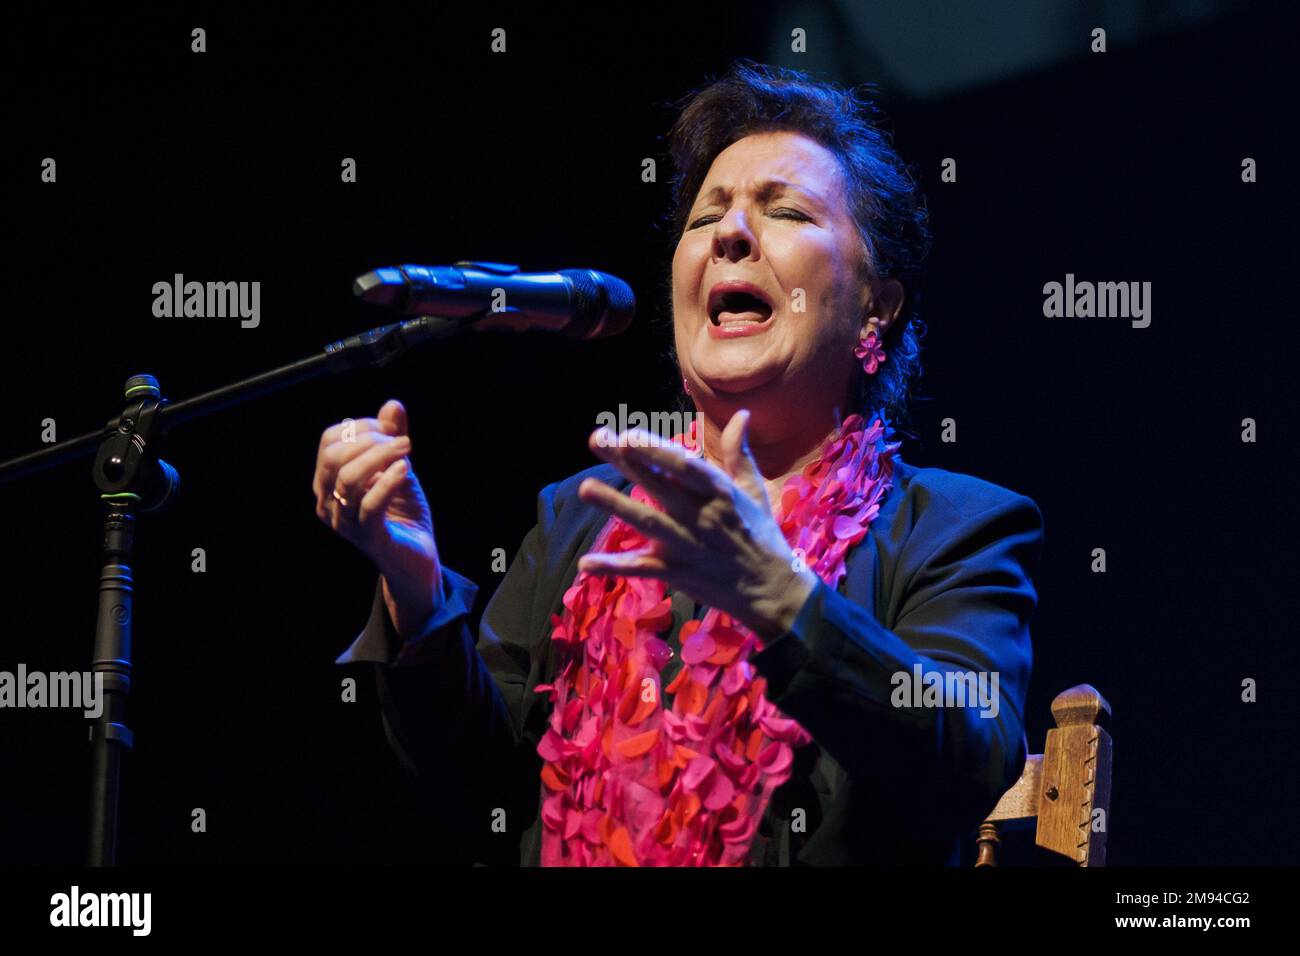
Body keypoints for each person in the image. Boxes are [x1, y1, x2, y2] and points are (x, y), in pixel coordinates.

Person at [314, 60, 1044, 866]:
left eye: (786, 210)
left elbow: (966, 761)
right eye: (706, 218)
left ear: (876, 308)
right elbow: (481, 795)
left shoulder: (954, 528)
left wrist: (780, 601)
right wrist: (416, 592)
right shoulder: (581, 517)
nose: (730, 235)